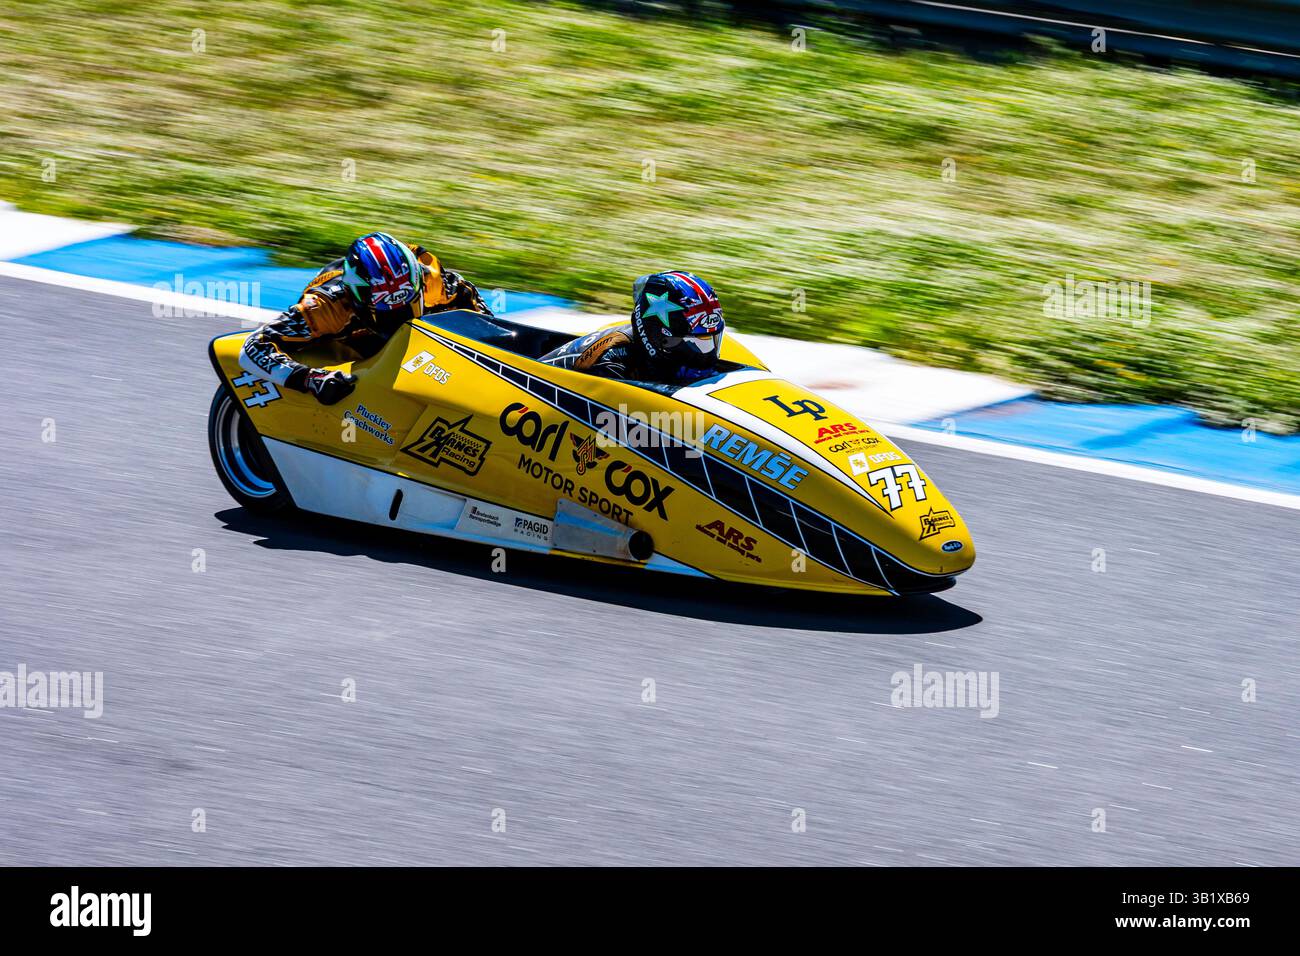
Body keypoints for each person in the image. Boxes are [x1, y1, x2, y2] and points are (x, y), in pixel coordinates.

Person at [240, 232, 491, 405]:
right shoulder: (328, 307)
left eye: (405, 301)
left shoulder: (434, 282)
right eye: (389, 308)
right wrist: (309, 379)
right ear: (360, 298)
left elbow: (485, 321)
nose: (399, 314)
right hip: (349, 342)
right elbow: (253, 346)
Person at [538, 271, 725, 384]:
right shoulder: (610, 364)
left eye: (712, 342)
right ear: (660, 337)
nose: (706, 356)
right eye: (696, 344)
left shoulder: (656, 352)